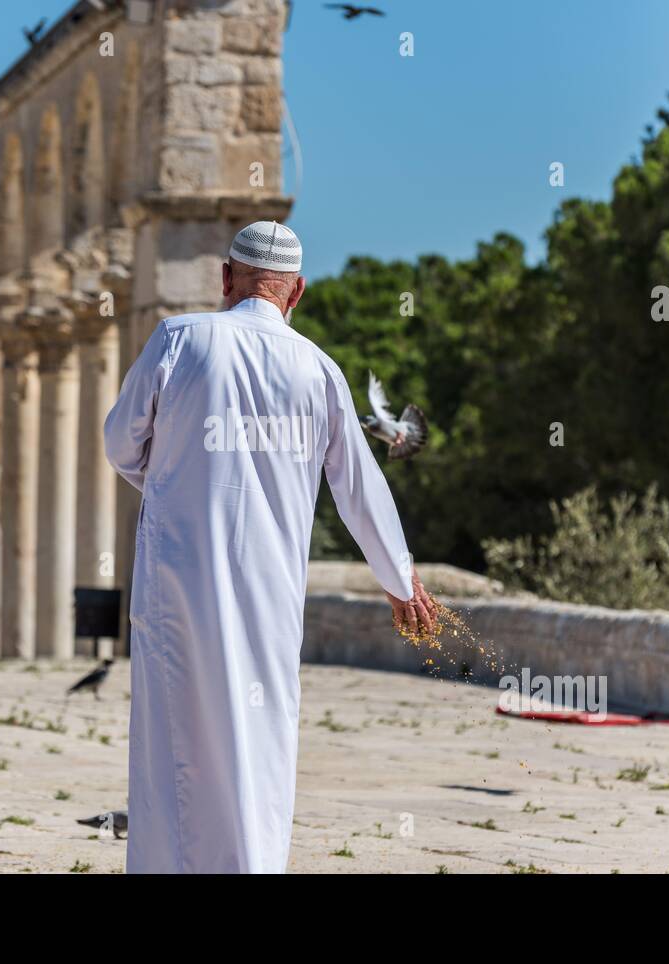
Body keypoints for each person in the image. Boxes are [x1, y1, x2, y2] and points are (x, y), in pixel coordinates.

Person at [104, 221, 437, 874]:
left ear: (225, 279)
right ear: (298, 293)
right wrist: (402, 580)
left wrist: (176, 483)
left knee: (173, 745)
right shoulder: (318, 369)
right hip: (270, 595)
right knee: (260, 741)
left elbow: (121, 443)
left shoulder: (180, 339)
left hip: (177, 585)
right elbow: (359, 490)